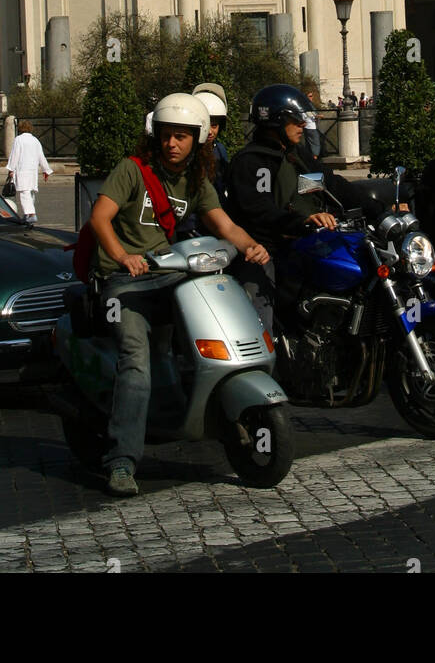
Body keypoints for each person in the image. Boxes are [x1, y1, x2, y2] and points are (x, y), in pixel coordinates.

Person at [89, 92, 268, 498]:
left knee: (211, 328)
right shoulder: (131, 170)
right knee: (136, 361)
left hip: (170, 275)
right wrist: (124, 257)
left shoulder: (196, 180)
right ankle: (121, 460)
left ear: (198, 139)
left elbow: (224, 226)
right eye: (166, 135)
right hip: (124, 283)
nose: (172, 143)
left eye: (181, 136)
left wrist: (251, 246)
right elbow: (99, 218)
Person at [225, 84, 337, 335]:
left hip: (301, 245)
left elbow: (326, 183)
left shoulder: (294, 157)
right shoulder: (254, 161)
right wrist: (301, 222)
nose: (302, 124)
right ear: (275, 121)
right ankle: (267, 354)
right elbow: (260, 210)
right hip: (263, 250)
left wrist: (376, 204)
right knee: (260, 320)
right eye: (295, 119)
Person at [5, 120, 52, 225]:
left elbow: (15, 155)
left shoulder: (19, 139)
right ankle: (27, 215)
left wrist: (11, 169)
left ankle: (31, 214)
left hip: (22, 170)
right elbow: (41, 156)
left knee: (24, 192)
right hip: (33, 170)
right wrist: (46, 170)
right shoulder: (35, 140)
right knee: (30, 192)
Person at [191, 82, 230, 203]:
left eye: (214, 126)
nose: (209, 132)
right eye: (205, 125)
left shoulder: (219, 149)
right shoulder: (187, 150)